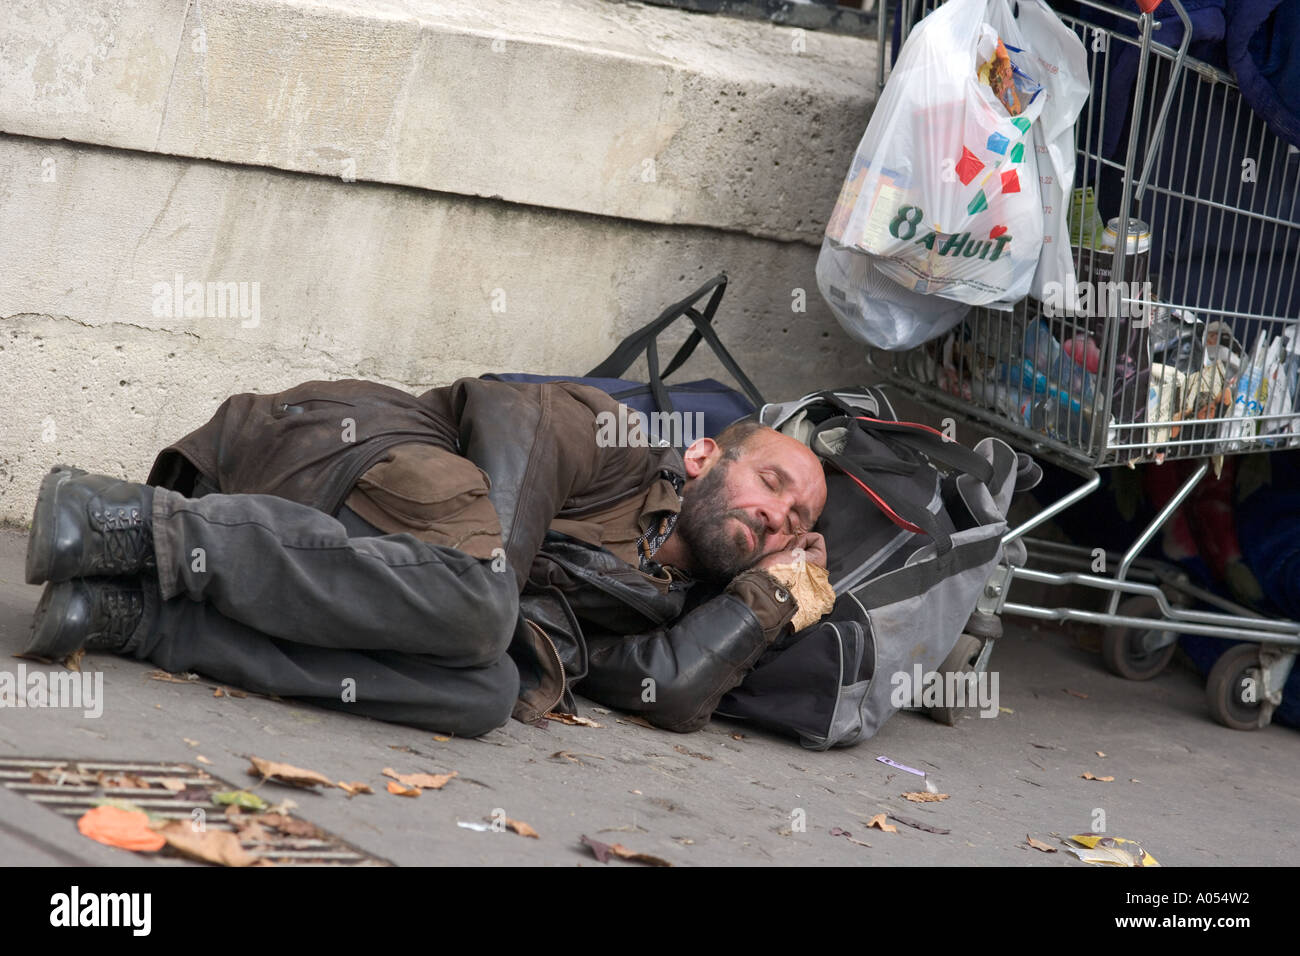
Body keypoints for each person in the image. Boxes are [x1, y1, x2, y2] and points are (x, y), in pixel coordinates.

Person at [22, 376, 829, 737]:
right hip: (346, 449)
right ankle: (123, 520)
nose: (776, 516)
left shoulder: (664, 598)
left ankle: (131, 616)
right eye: (771, 483)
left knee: (488, 694)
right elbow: (515, 417)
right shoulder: (621, 446)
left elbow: (670, 693)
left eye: (794, 522)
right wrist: (491, 589)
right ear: (702, 461)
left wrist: (763, 602)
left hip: (361, 560)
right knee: (484, 611)